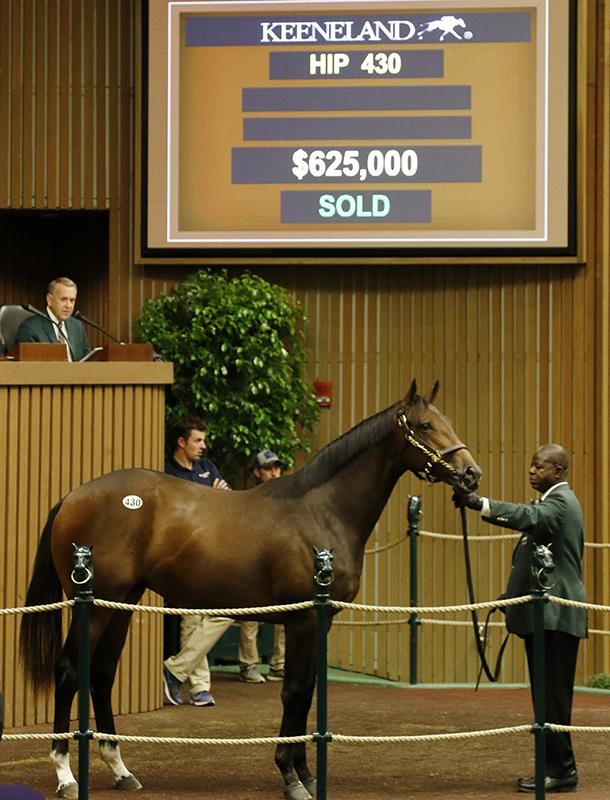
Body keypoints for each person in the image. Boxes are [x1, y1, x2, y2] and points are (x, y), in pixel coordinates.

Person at [454, 444, 587, 794]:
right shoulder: (551, 503)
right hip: (546, 614)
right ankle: (555, 768)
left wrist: (479, 503)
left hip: (556, 616)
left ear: (558, 472)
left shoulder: (559, 504)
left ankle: (562, 771)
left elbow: (529, 520)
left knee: (553, 698)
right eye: (531, 465)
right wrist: (510, 598)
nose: (531, 471)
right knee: (547, 697)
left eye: (539, 466)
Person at [162, 415, 233, 707]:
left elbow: (227, 500)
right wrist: (210, 498)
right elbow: (177, 515)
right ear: (182, 442)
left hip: (215, 552)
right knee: (192, 621)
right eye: (198, 440)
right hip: (185, 557)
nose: (203, 446)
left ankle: (175, 671)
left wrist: (212, 501)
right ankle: (200, 687)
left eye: (203, 440)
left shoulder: (207, 466)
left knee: (227, 612)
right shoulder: (168, 473)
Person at [238, 450, 286, 683]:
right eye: (268, 468)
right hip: (253, 563)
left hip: (280, 562)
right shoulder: (250, 498)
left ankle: (279, 665)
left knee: (288, 611)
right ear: (257, 472)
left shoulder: (287, 498)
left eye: (277, 467)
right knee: (250, 615)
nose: (274, 473)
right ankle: (249, 665)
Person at [16, 276, 89, 361]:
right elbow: (29, 368)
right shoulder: (30, 328)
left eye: (72, 300)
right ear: (49, 299)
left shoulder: (77, 326)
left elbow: (87, 359)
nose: (68, 306)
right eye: (63, 299)